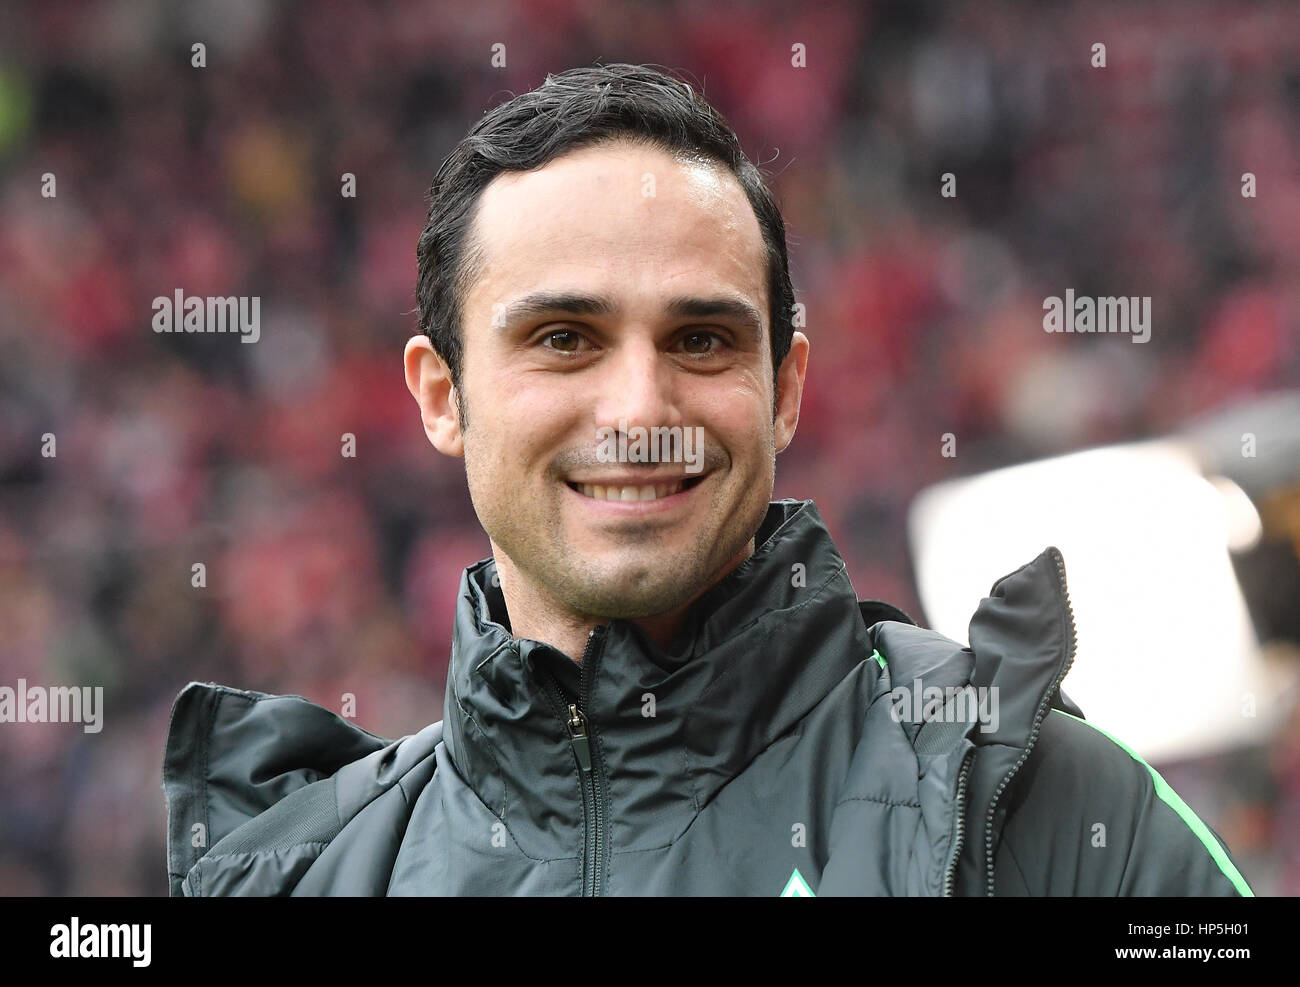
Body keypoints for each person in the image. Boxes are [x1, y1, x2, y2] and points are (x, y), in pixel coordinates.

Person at [163, 63, 1253, 897]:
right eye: (563, 339)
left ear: (784, 389)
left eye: (699, 342)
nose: (639, 410)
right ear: (441, 395)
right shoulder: (297, 875)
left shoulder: (1031, 801)